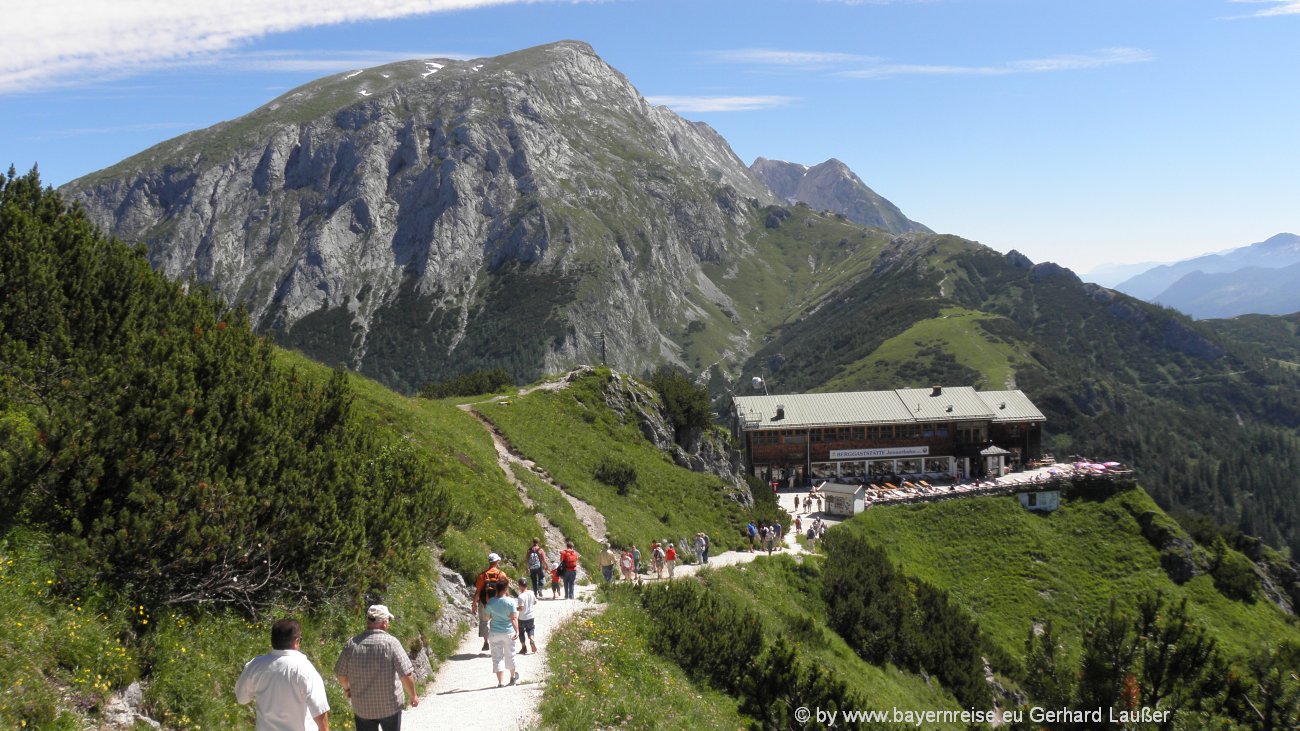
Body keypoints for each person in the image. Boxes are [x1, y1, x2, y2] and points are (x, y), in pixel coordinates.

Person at [235, 618, 330, 731]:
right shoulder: (305, 669)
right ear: (296, 641)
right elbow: (319, 710)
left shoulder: (255, 666)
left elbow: (242, 698)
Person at [334, 605, 418, 731]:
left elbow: (340, 673)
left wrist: (347, 688)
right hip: (390, 707)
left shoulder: (352, 644)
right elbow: (406, 674)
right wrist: (413, 696)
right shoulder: (392, 643)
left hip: (362, 709)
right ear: (384, 623)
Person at [485, 580, 520, 687]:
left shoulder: (491, 602)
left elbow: (486, 618)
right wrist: (517, 631)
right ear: (506, 589)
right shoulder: (511, 602)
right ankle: (513, 678)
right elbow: (513, 618)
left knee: (497, 657)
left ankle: (500, 682)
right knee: (511, 655)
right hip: (508, 632)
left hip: (494, 633)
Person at [473, 553, 509, 652]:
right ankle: (498, 641)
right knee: (499, 621)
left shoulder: (482, 575)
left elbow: (478, 591)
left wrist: (474, 604)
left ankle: (486, 641)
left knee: (484, 622)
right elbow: (506, 590)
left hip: (485, 603)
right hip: (498, 603)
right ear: (497, 562)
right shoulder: (502, 574)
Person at [515, 577, 538, 655]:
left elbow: (521, 608)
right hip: (531, 616)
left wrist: (515, 608)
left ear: (520, 586)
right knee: (530, 629)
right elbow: (535, 602)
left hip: (522, 618)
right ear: (526, 585)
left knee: (521, 632)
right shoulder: (531, 593)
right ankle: (531, 639)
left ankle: (524, 647)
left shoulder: (521, 596)